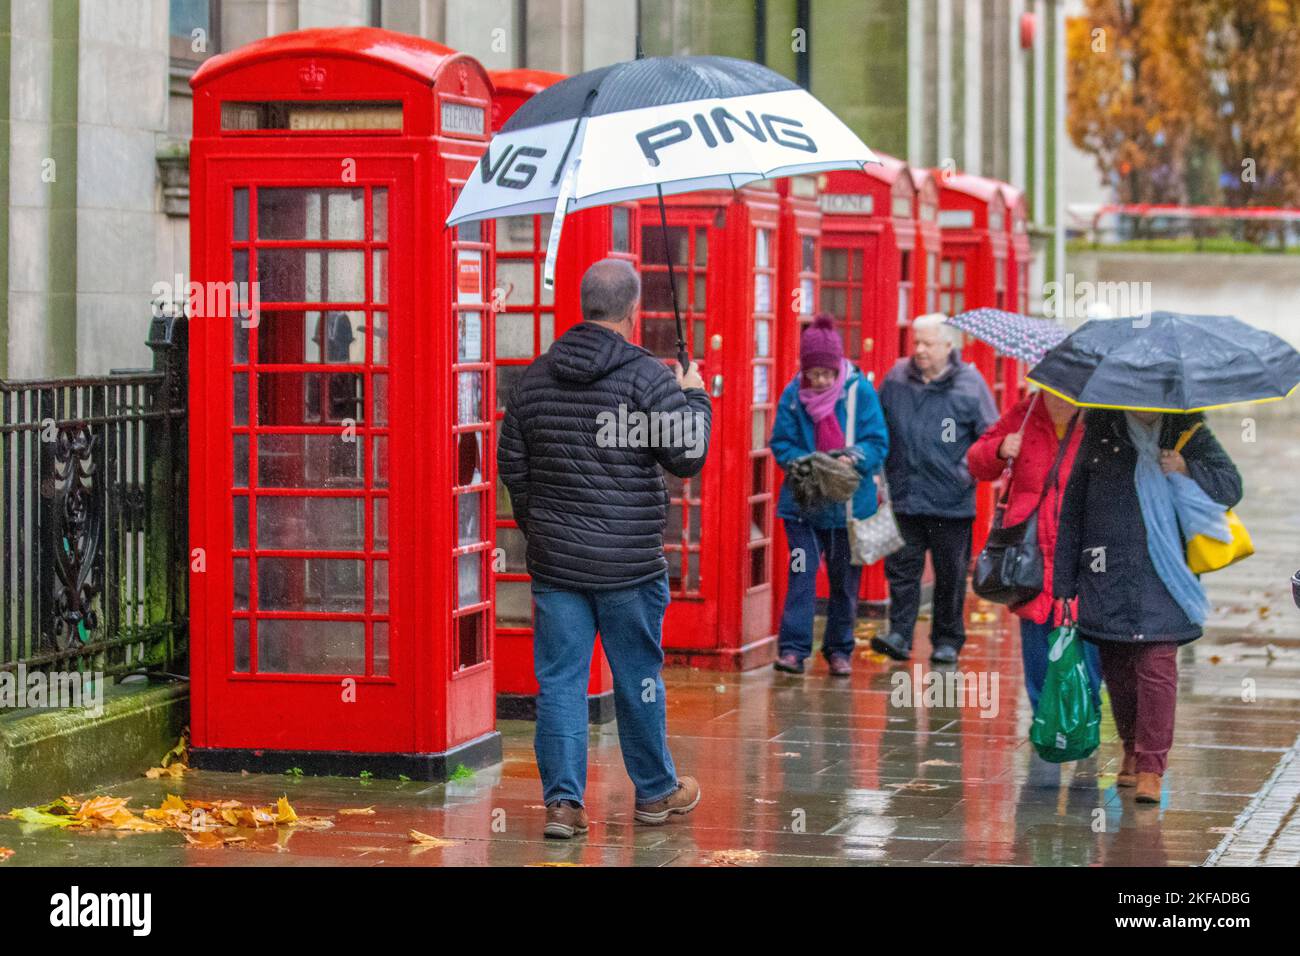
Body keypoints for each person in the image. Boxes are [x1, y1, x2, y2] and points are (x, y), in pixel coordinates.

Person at [498, 258, 712, 839]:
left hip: (557, 565)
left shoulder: (535, 376)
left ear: (583, 304)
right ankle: (655, 792)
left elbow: (512, 467)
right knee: (638, 675)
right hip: (629, 566)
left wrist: (541, 532)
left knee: (562, 683)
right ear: (632, 310)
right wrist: (695, 397)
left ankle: (563, 806)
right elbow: (687, 457)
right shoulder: (647, 377)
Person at [1053, 409, 1242, 803]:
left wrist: (1187, 467)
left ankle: (1152, 766)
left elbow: (1230, 487)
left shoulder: (1187, 432)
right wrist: (1064, 581)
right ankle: (1131, 747)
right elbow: (1074, 507)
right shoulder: (1100, 432)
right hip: (1106, 570)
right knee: (1118, 667)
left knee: (1157, 665)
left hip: (1167, 574)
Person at [966, 388, 1103, 713]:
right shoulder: (1024, 414)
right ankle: (1043, 714)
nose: (1060, 398)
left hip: (1083, 546)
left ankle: (1087, 710)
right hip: (1030, 548)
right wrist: (999, 448)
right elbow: (976, 462)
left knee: (1086, 630)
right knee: (1036, 626)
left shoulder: (1099, 421)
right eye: (1053, 392)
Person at [769, 313, 889, 677]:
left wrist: (856, 457)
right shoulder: (793, 395)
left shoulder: (860, 392)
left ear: (838, 367)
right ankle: (792, 650)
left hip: (849, 507)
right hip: (803, 507)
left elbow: (878, 442)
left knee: (844, 584)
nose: (820, 380)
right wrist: (801, 462)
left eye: (826, 373)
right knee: (801, 576)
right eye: (813, 374)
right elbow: (780, 443)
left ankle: (839, 650)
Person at [873, 314, 998, 664]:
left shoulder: (971, 384)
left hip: (951, 500)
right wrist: (880, 473)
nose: (920, 350)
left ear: (948, 345)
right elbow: (877, 427)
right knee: (902, 570)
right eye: (916, 343)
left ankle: (947, 639)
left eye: (928, 343)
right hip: (904, 494)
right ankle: (899, 633)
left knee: (951, 575)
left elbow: (989, 437)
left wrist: (963, 472)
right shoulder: (897, 378)